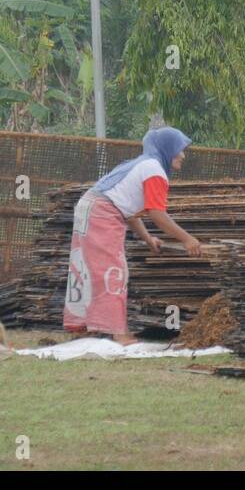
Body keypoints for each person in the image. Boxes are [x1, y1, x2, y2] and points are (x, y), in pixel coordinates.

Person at [63, 128, 202, 345]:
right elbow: (157, 213)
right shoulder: (154, 170)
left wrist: (148, 239)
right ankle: (119, 333)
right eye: (180, 150)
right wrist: (187, 239)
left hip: (90, 206)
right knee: (114, 271)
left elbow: (129, 211)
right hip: (102, 212)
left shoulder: (141, 164)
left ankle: (84, 325)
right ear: (168, 149)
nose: (183, 155)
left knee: (88, 267)